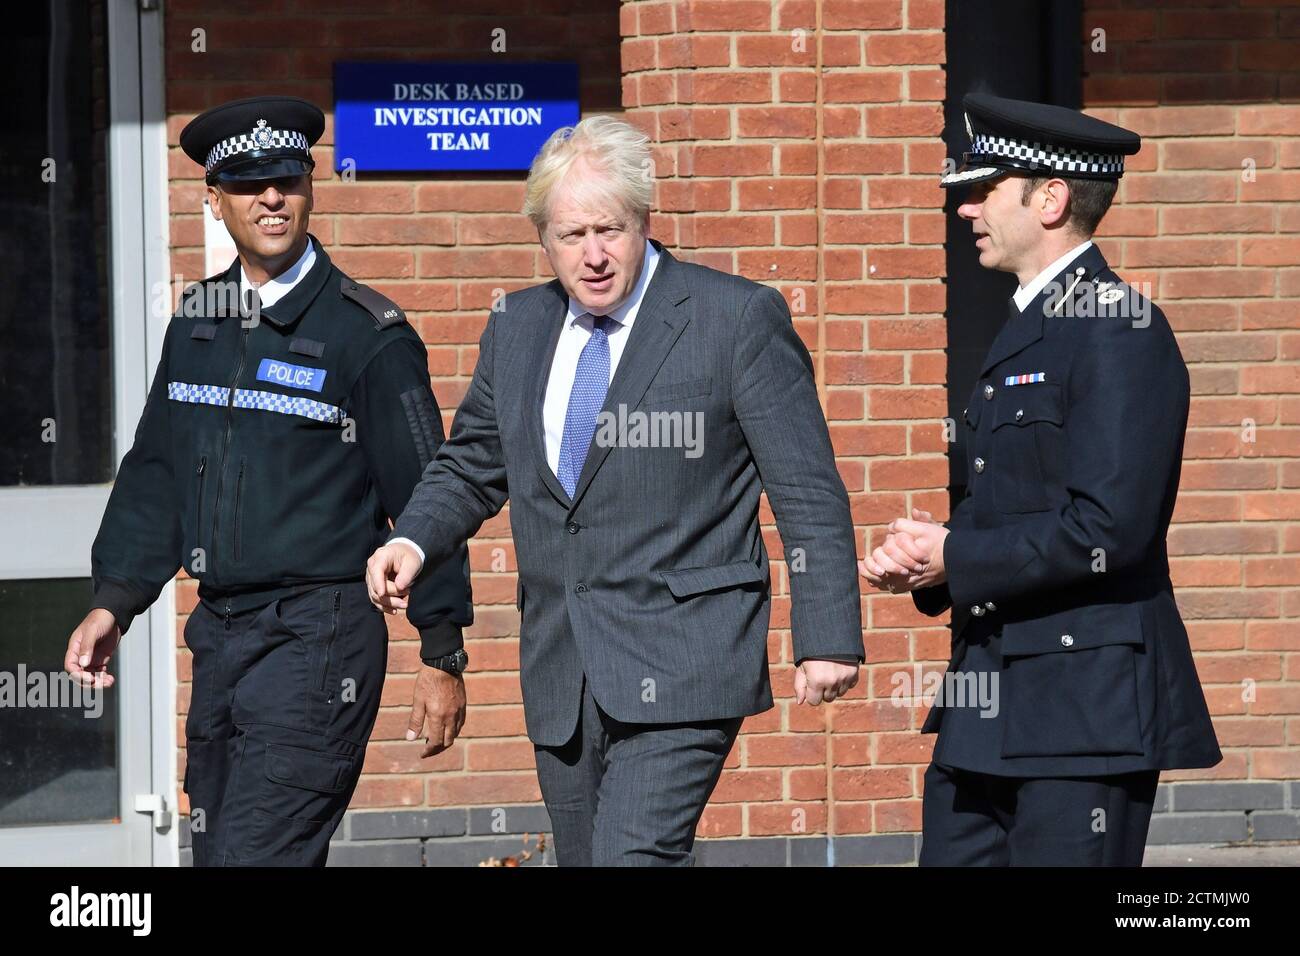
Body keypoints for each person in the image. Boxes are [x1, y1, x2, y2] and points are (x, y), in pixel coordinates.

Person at [367, 116, 864, 866]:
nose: (594, 256)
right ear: (543, 237)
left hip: (687, 654)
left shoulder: (735, 318)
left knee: (632, 856)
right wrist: (412, 538)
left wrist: (825, 637)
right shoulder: (518, 325)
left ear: (644, 221)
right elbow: (472, 461)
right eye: (572, 236)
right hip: (564, 667)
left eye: (611, 230)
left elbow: (807, 488)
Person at [63, 95, 473, 866]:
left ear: (311, 189)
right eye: (250, 184)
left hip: (318, 638)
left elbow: (431, 496)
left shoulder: (368, 335)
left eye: (289, 179)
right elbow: (157, 470)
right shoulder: (199, 320)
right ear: (213, 199)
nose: (273, 198)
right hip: (221, 637)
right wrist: (113, 602)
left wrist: (441, 649)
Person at [860, 93, 1222, 866]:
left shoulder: (1118, 329)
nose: (966, 208)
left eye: (987, 187)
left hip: (1082, 710)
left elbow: (1109, 529)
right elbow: (1012, 508)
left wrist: (957, 556)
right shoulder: (1035, 323)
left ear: (1051, 197)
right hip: (988, 698)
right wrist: (934, 559)